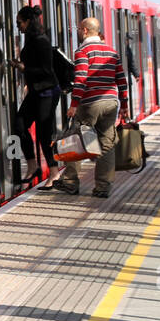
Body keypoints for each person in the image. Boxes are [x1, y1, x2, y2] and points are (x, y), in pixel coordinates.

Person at [52, 17, 128, 198]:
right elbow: (122, 81)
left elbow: (81, 80)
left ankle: (70, 182)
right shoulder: (112, 51)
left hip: (90, 103)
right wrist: (124, 105)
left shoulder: (82, 51)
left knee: (74, 139)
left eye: (79, 29)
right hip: (111, 102)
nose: (78, 32)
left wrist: (73, 104)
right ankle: (103, 187)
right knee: (107, 144)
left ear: (85, 30)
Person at [12, 6, 60, 188]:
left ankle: (54, 172)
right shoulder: (31, 39)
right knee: (19, 125)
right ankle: (33, 165)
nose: (18, 27)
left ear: (28, 21)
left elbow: (46, 70)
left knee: (43, 133)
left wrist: (24, 68)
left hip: (47, 91)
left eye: (20, 23)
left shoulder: (41, 41)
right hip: (36, 91)